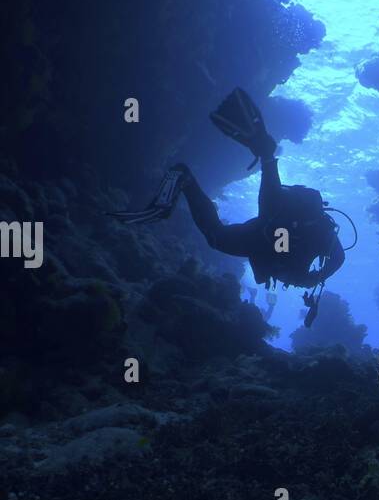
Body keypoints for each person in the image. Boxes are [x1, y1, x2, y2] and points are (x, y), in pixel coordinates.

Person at [109, 88, 346, 327]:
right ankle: (262, 156)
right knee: (232, 229)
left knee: (222, 234)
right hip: (270, 227)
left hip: (264, 231)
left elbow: (338, 257)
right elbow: (338, 257)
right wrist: (315, 278)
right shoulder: (311, 257)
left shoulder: (311, 256)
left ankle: (193, 175)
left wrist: (316, 277)